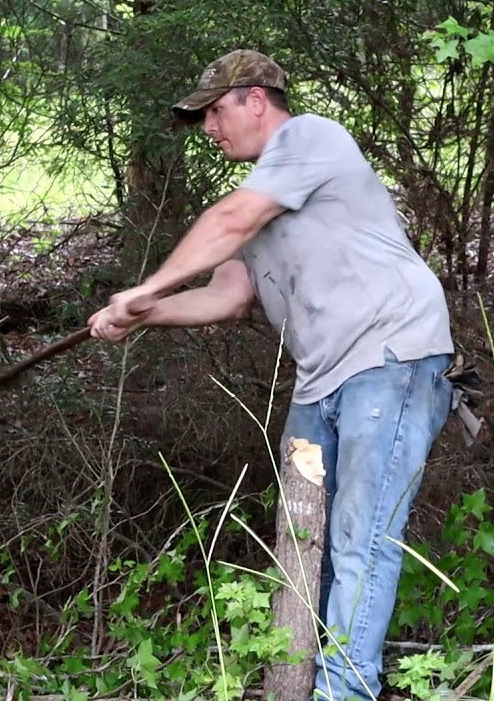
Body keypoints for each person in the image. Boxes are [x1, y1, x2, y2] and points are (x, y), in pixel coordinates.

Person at [87, 49, 456, 700]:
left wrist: (147, 283)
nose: (208, 128)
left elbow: (229, 221)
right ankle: (295, 676)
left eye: (215, 111)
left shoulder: (311, 139)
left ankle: (344, 693)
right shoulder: (264, 196)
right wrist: (144, 312)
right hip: (321, 382)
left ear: (256, 99)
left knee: (361, 536)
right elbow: (226, 297)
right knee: (303, 533)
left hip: (390, 359)